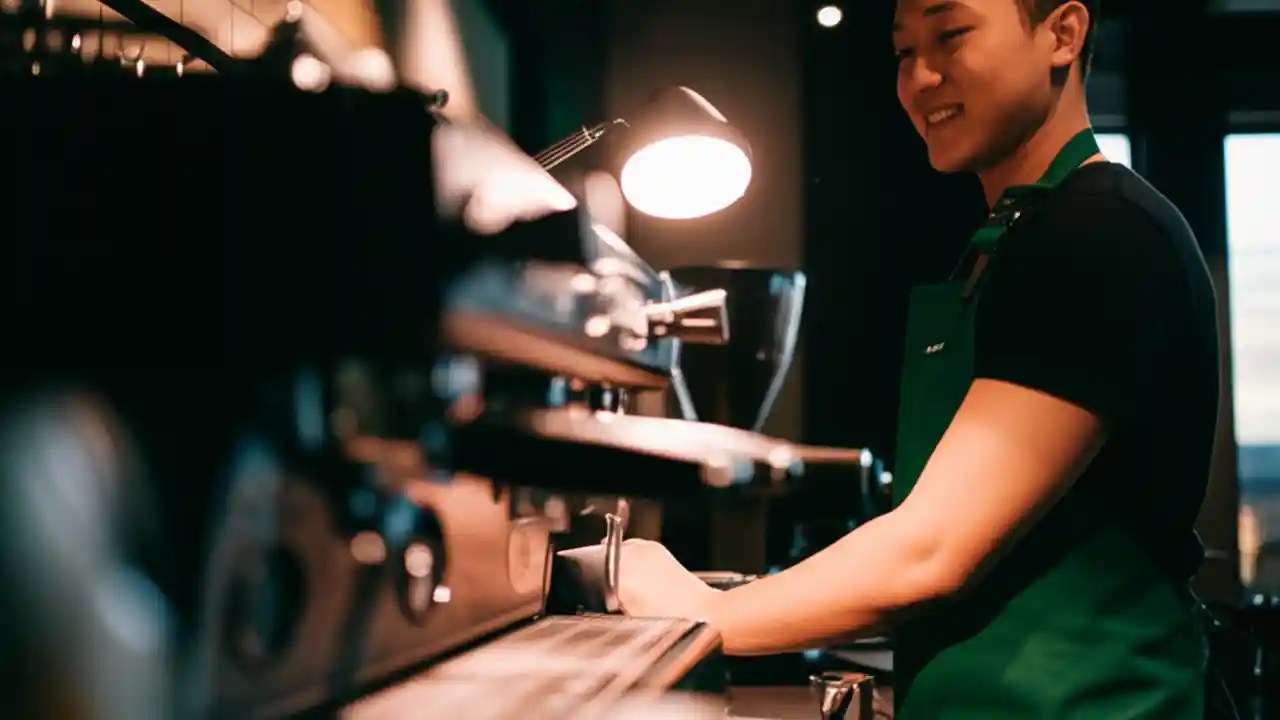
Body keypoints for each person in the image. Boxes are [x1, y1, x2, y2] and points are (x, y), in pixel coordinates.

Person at [617, 0, 1222, 717]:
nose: (920, 77)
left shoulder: (1102, 232)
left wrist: (699, 611)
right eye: (904, 51)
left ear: (1062, 33)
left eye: (952, 35)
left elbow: (931, 548)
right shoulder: (1008, 243)